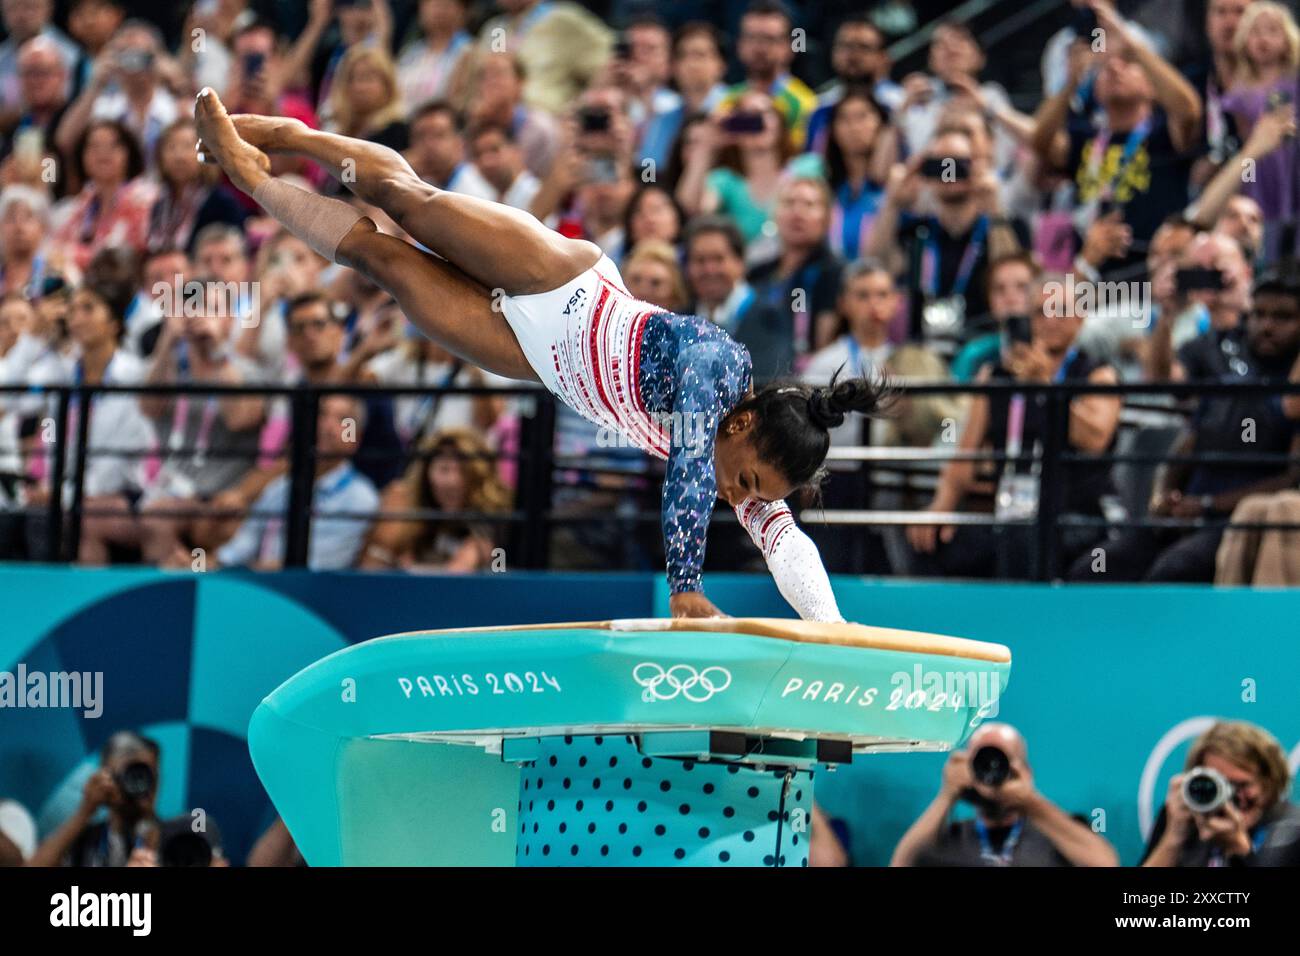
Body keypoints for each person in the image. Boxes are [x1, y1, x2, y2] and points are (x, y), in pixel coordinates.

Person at [194, 87, 889, 620]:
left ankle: (251, 178)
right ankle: (294, 134)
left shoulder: (742, 461)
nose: (740, 500)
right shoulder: (714, 370)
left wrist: (834, 633)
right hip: (562, 284)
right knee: (405, 199)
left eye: (754, 496)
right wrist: (685, 586)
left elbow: (785, 544)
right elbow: (688, 474)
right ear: (741, 425)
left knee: (388, 263)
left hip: (538, 358)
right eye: (748, 483)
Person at [891, 723, 1119, 867]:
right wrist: (947, 795)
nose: (992, 769)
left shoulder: (1058, 832)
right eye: (982, 760)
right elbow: (902, 862)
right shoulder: (950, 836)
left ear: (1025, 771)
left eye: (1002, 760)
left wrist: (1029, 801)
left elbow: (1106, 862)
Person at [215, 393, 379, 571]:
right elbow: (237, 550)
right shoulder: (280, 487)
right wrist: (198, 565)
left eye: (343, 419)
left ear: (356, 437)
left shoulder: (360, 499)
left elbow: (320, 568)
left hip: (307, 594)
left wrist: (251, 571)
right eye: (321, 414)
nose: (326, 426)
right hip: (259, 587)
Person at [1142, 720, 1300, 867]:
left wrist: (1239, 850)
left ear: (1269, 784)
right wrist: (1173, 839)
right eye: (1218, 784)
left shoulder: (1293, 832)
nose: (1229, 796)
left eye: (1241, 785)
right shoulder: (1181, 819)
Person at [361, 427, 511, 572]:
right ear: (426, 473)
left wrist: (408, 569)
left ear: (479, 477)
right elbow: (370, 571)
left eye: (463, 471)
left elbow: (455, 578)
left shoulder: (493, 521)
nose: (453, 481)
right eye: (444, 469)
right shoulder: (415, 513)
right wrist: (385, 545)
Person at [30, 730, 161, 867]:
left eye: (144, 774)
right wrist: (85, 810)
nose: (138, 782)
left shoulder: (176, 838)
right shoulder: (81, 843)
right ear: (105, 776)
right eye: (129, 773)